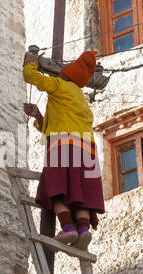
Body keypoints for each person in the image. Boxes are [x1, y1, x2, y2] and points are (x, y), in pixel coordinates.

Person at [22, 47, 104, 246]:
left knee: (55, 186)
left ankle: (67, 227)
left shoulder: (60, 86)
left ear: (67, 75)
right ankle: (83, 230)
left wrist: (31, 60)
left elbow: (30, 75)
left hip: (63, 145)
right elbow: (53, 125)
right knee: (80, 192)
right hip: (87, 150)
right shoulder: (80, 100)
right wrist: (38, 116)